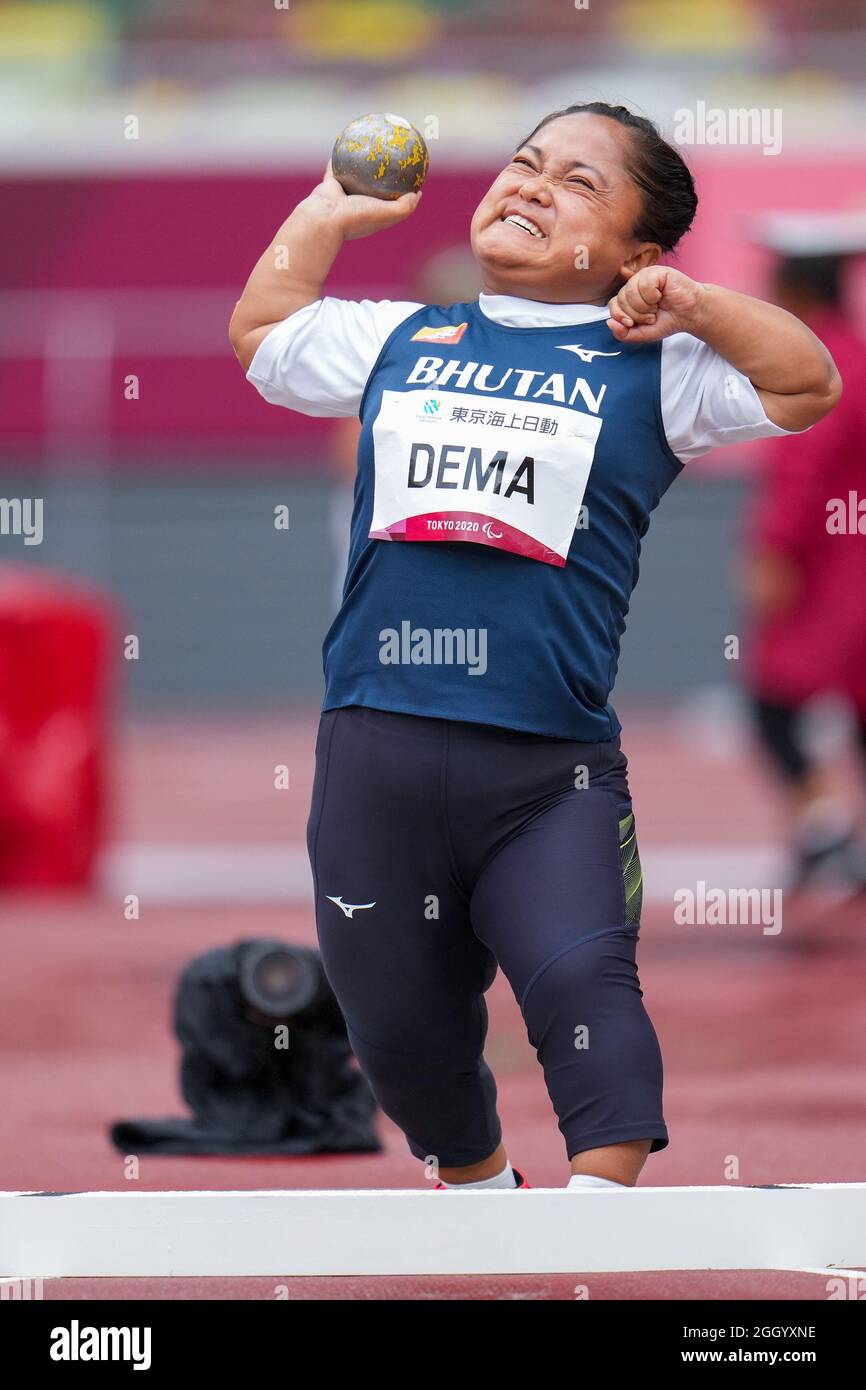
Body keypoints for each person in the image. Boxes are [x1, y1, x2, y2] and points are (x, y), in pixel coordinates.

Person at [229, 102, 841, 1191]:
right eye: (522, 163)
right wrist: (327, 212)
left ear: (633, 253)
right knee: (402, 1044)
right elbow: (264, 331)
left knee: (585, 992)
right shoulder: (399, 336)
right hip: (373, 756)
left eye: (574, 182)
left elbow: (806, 380)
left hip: (544, 774)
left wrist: (695, 305)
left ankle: (592, 1242)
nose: (528, 184)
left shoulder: (658, 365)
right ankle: (484, 1197)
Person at [743, 220, 866, 893]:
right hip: (849, 566)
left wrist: (775, 552)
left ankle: (823, 827)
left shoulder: (818, 363)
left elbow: (804, 473)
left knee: (772, 704)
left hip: (830, 576)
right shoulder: (855, 351)